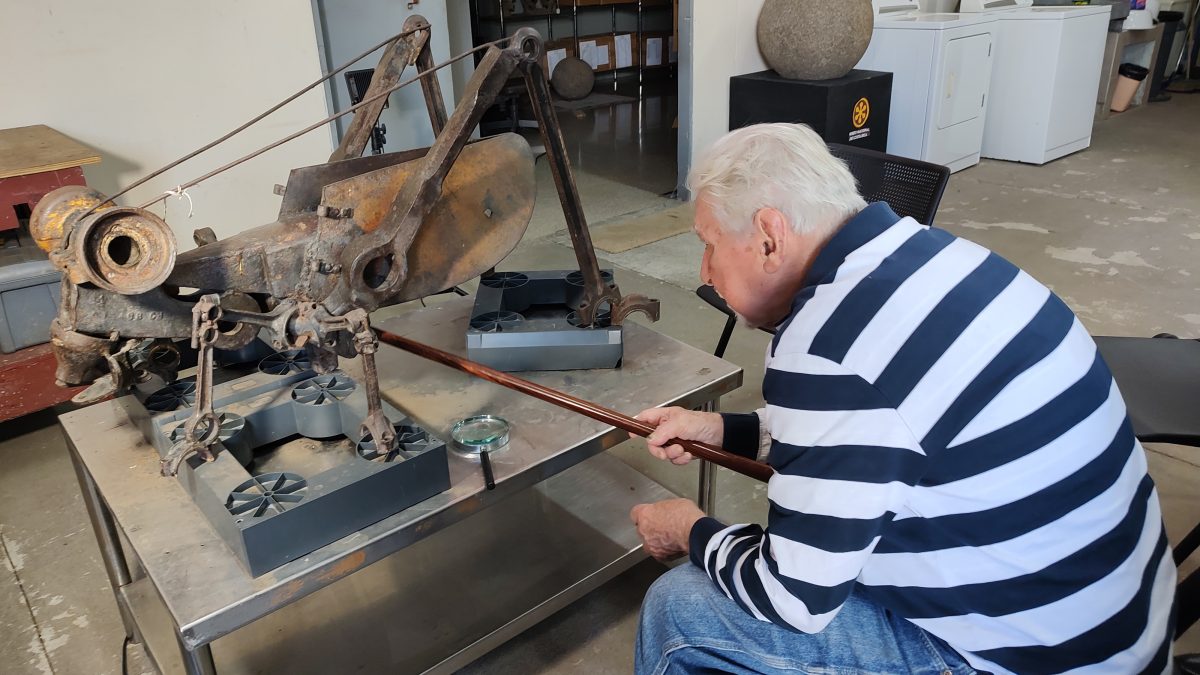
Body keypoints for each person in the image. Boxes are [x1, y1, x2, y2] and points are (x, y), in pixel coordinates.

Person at [628, 123, 1175, 675]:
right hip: (1121, 626)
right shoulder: (940, 257)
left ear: (770, 237)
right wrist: (725, 430)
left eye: (709, 245)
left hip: (1033, 658)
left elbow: (792, 598)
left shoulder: (827, 344)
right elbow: (884, 426)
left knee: (681, 609)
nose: (703, 271)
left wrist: (689, 528)